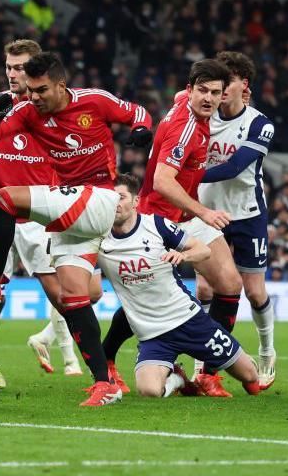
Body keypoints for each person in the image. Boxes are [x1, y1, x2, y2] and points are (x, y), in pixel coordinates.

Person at [0, 51, 153, 407]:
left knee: (6, 200)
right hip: (73, 213)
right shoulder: (27, 112)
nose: (34, 97)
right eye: (30, 89)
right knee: (72, 297)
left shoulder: (94, 101)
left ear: (60, 85)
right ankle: (105, 384)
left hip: (99, 196)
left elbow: (138, 112)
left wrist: (140, 130)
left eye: (41, 90)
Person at [106, 58, 247, 398]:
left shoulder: (186, 104)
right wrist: (205, 212)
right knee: (146, 299)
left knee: (229, 284)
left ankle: (209, 373)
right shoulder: (187, 127)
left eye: (216, 93)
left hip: (187, 214)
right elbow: (162, 181)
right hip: (162, 218)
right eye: (203, 92)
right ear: (189, 90)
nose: (209, 99)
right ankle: (107, 360)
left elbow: (176, 107)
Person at [0, 39, 79, 397]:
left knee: (65, 297)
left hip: (39, 215)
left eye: (21, 67)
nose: (14, 74)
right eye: (10, 67)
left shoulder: (54, 107)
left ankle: (97, 368)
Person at [102, 174, 261, 398]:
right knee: (148, 391)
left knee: (251, 376)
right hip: (152, 335)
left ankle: (236, 368)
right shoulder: (99, 238)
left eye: (121, 197)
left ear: (136, 201)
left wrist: (183, 255)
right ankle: (176, 380)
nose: (115, 203)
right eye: (110, 198)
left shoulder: (156, 225)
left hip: (190, 322)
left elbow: (203, 250)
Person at [196, 51, 277, 388]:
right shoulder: (201, 117)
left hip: (247, 214)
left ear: (243, 85)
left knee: (254, 291)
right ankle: (203, 360)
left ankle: (267, 350)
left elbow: (232, 167)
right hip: (207, 213)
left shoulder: (260, 124)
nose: (218, 90)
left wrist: (183, 178)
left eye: (224, 82)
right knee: (204, 287)